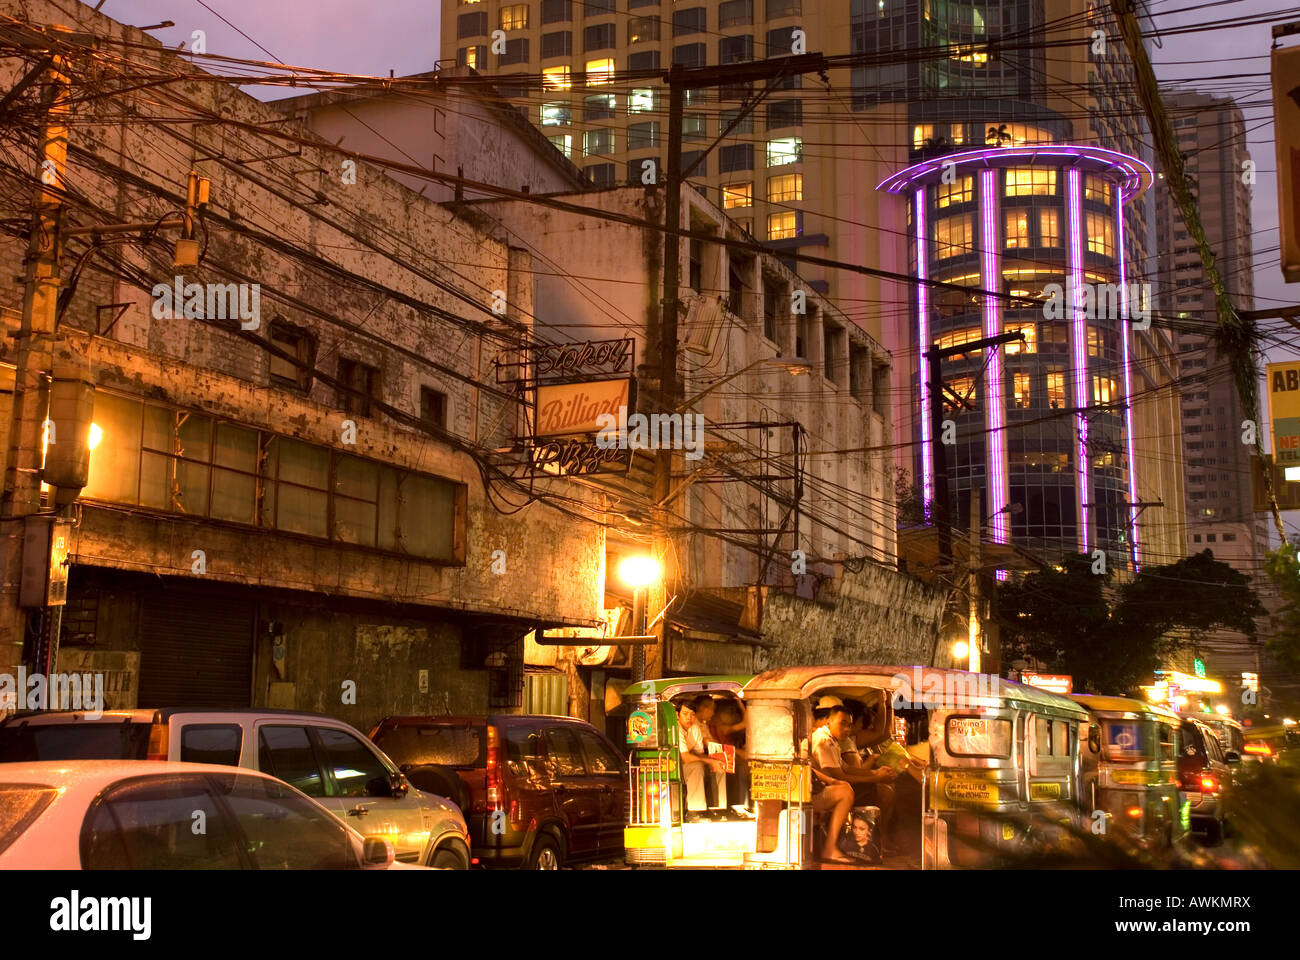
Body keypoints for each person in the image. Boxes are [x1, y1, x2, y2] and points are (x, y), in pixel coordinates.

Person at [811, 704, 897, 860]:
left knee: (884, 789)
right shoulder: (824, 741)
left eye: (849, 725)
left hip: (829, 785)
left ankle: (877, 842)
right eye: (842, 723)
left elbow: (847, 768)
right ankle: (836, 846)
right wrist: (875, 778)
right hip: (820, 791)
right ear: (828, 722)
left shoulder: (833, 740)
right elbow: (840, 776)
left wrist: (875, 772)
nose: (847, 729)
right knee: (876, 792)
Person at [676, 698, 727, 820]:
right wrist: (709, 761)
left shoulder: (695, 728)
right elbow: (685, 757)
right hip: (677, 767)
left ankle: (718, 808)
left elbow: (699, 753)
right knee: (697, 766)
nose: (689, 717)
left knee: (719, 766)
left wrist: (715, 761)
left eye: (692, 714)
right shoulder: (676, 728)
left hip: (690, 762)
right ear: (677, 715)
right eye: (685, 714)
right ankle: (694, 812)